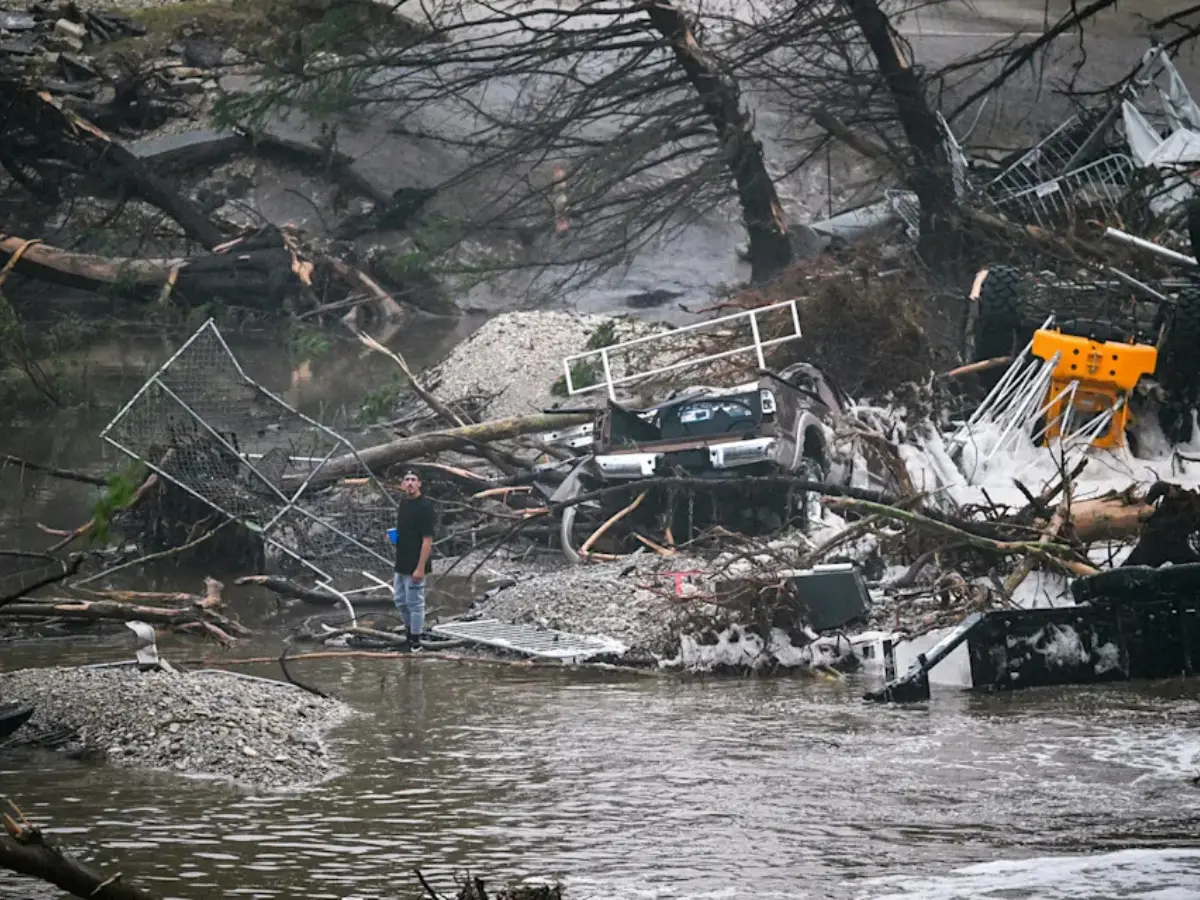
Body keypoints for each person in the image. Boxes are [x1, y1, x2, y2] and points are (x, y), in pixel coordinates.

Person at [393, 470, 435, 651]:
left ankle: (416, 641)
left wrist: (420, 568)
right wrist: (394, 538)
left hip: (416, 563)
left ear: (419, 484)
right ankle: (408, 634)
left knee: (415, 603)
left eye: (413, 480)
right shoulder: (403, 503)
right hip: (401, 561)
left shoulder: (425, 507)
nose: (410, 483)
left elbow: (427, 540)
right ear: (403, 484)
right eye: (407, 480)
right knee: (400, 601)